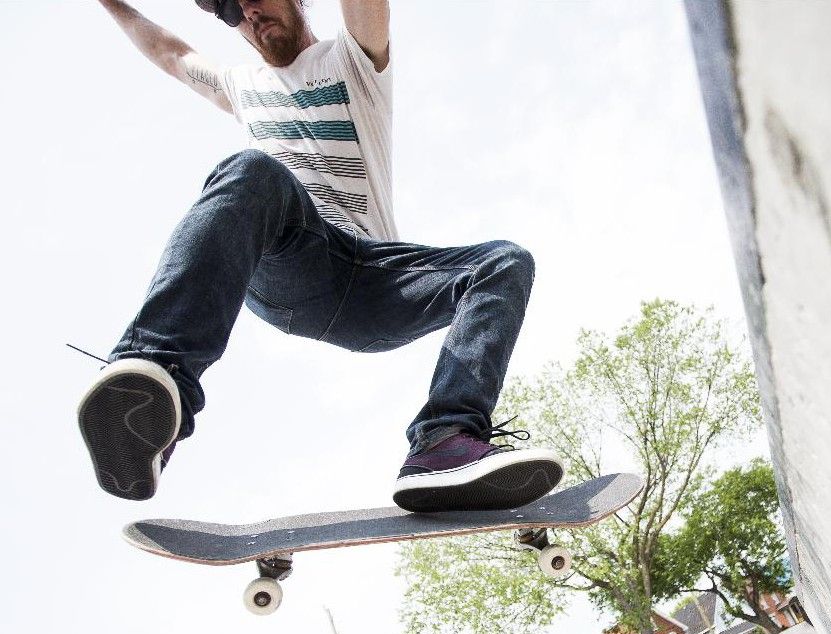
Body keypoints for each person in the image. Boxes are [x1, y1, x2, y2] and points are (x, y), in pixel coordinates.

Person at [79, 0, 563, 512]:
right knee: (253, 170)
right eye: (232, 10)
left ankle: (445, 443)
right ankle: (152, 385)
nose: (249, 12)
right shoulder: (241, 88)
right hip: (295, 265)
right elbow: (171, 54)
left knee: (504, 263)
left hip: (378, 279)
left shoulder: (355, 58)